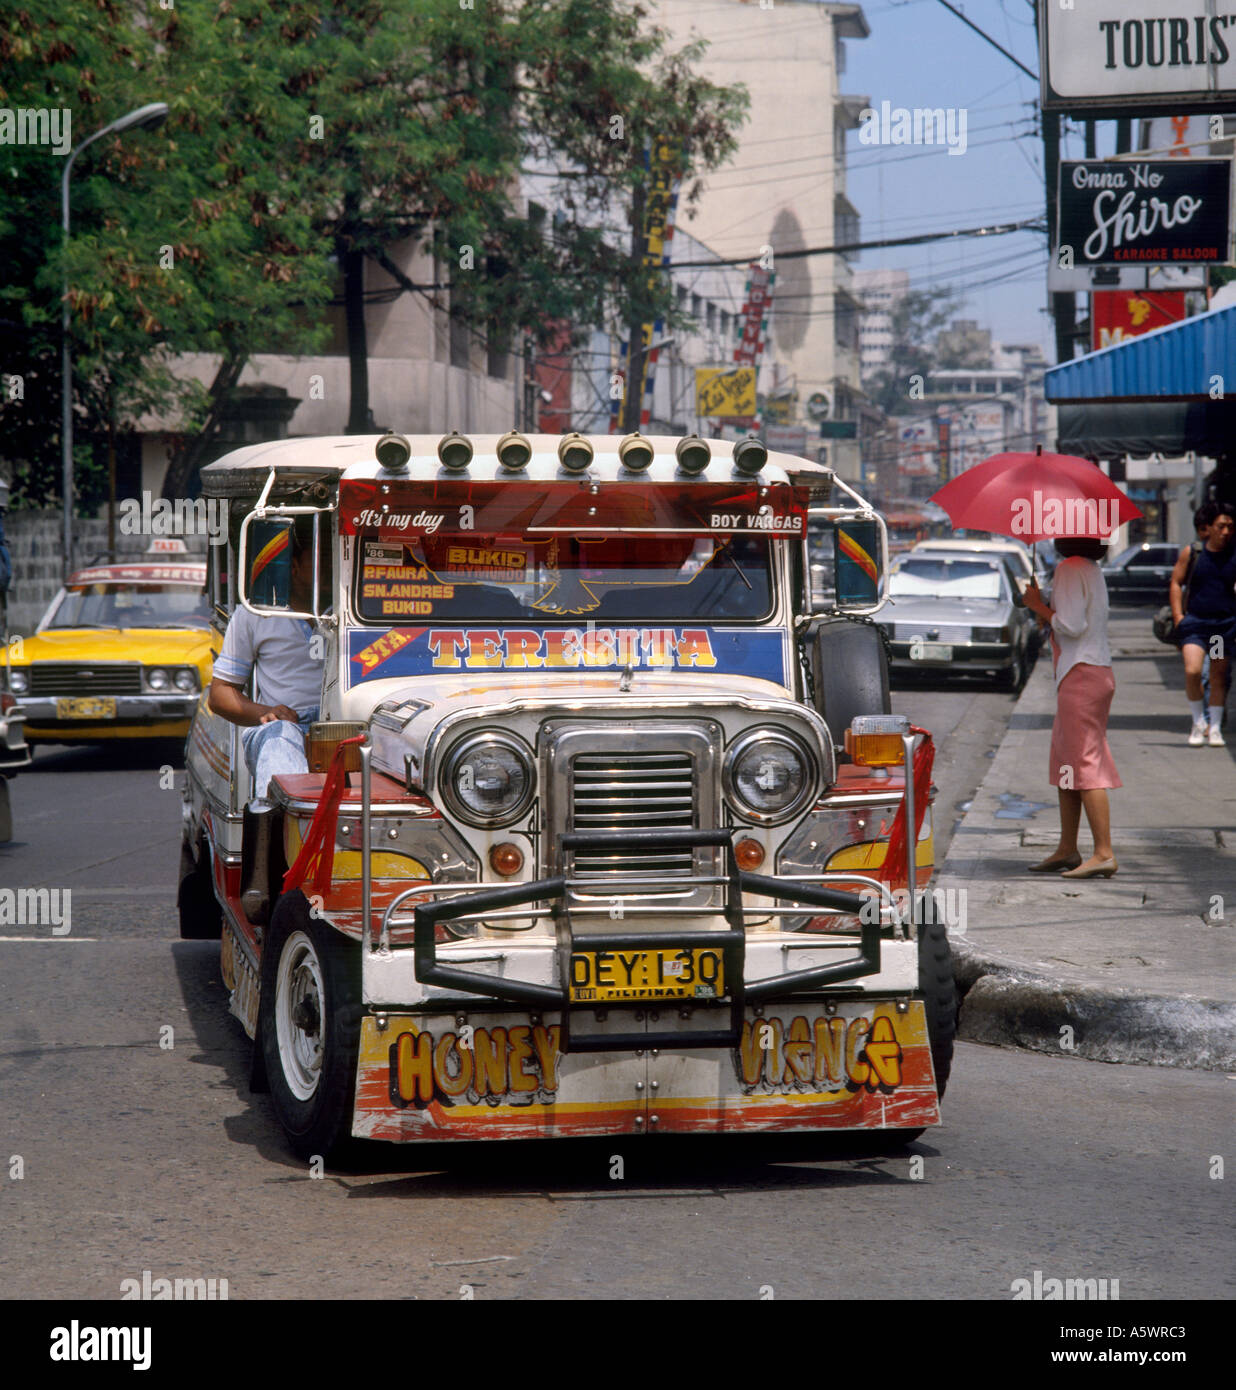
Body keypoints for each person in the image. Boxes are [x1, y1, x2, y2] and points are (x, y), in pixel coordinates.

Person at [1022, 537, 1120, 879]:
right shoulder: (1090, 569)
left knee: (1084, 764)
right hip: (1088, 673)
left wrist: (1038, 606)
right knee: (1068, 764)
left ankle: (1104, 852)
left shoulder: (1069, 568)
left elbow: (1072, 625)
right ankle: (1067, 848)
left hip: (1081, 675)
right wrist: (1046, 608)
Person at [208, 524, 324, 810]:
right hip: (286, 726)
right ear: (293, 565)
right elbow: (220, 694)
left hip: (350, 723)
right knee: (279, 740)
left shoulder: (368, 611)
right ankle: (279, 844)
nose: (334, 566)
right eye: (323, 556)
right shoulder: (256, 612)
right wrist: (267, 713)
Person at [1169, 500, 1236, 747]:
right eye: (1221, 526)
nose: (1226, 531)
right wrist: (1178, 617)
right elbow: (1176, 582)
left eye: (1230, 526)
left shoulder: (1234, 554)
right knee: (1192, 671)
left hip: (1221, 627)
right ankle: (1198, 721)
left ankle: (1215, 727)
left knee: (1218, 675)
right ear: (1207, 528)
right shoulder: (1193, 552)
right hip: (1195, 626)